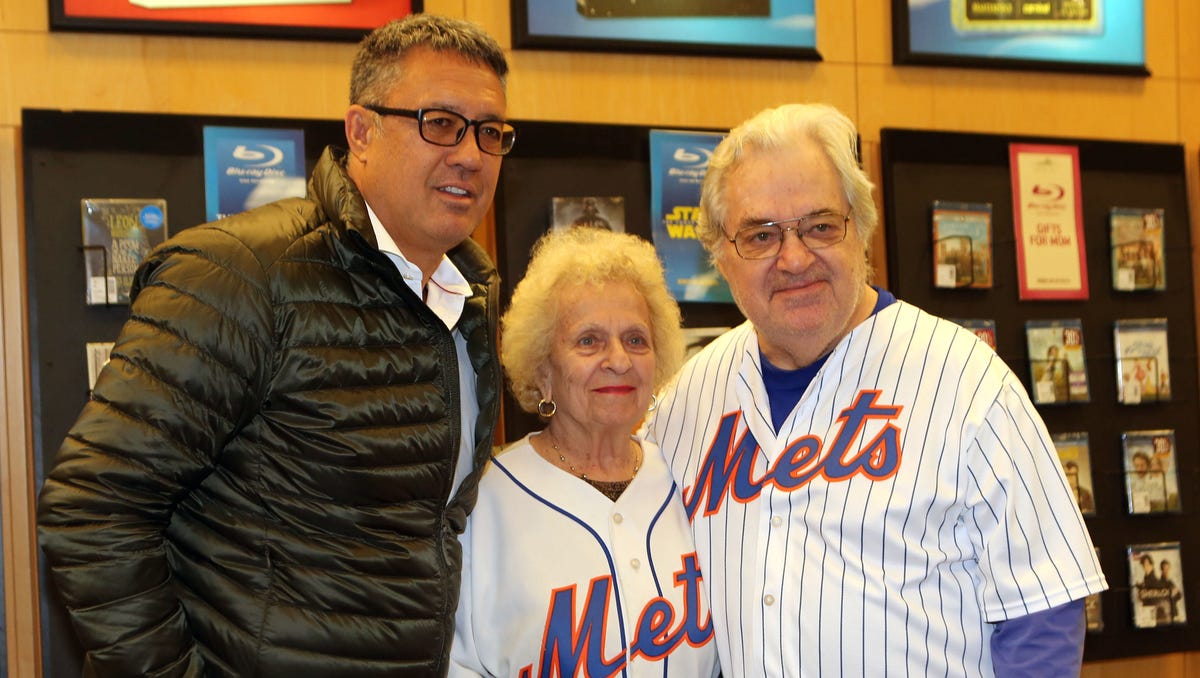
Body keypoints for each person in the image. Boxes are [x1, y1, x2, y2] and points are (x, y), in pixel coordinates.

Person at [37, 14, 513, 676]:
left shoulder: (472, 296)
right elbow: (92, 508)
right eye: (440, 122)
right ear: (361, 131)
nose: (469, 153)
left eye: (491, 133)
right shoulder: (241, 272)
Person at [643, 103, 1107, 677]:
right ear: (719, 254)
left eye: (819, 226)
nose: (794, 258)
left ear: (860, 228)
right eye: (760, 235)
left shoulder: (968, 384)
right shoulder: (687, 397)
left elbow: (1044, 614)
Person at [450, 228, 718, 677]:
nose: (618, 360)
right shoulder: (483, 502)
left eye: (636, 339)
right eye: (588, 341)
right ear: (543, 369)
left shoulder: (690, 478)